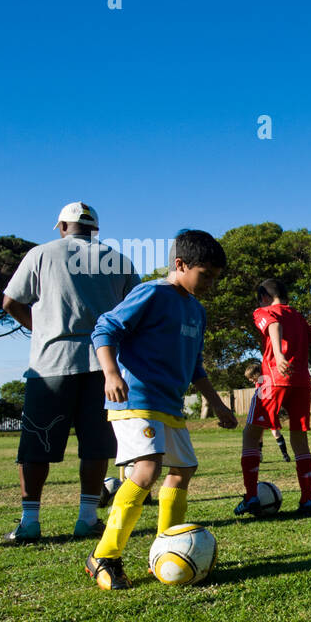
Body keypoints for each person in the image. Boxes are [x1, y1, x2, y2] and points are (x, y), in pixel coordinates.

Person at [85, 230, 238, 589]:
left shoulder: (197, 310)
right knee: (148, 467)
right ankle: (103, 556)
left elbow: (196, 366)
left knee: (184, 467)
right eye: (206, 275)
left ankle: (164, 548)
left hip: (169, 404)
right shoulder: (152, 293)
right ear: (180, 264)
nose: (211, 284)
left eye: (216, 277)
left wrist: (218, 405)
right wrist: (110, 373)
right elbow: (104, 329)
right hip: (135, 398)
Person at [0, 202, 139, 542]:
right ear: (96, 230)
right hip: (103, 367)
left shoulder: (40, 254)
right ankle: (87, 518)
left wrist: (42, 329)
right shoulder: (119, 260)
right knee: (96, 446)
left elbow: (10, 302)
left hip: (50, 365)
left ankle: (30, 522)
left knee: (35, 445)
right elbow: (135, 311)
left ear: (63, 227)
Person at [237, 279, 311, 516]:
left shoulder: (263, 311)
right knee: (300, 440)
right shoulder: (298, 316)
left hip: (273, 379)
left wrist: (277, 353)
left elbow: (273, 325)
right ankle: (307, 499)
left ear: (264, 297)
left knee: (251, 433)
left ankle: (251, 496)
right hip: (301, 384)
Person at [243, 361, 291, 462]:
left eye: (251, 378)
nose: (251, 380)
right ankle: (285, 454)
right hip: (271, 409)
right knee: (275, 432)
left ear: (256, 374)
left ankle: (259, 454)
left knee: (259, 432)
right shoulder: (267, 377)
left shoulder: (261, 380)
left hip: (264, 409)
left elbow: (262, 397)